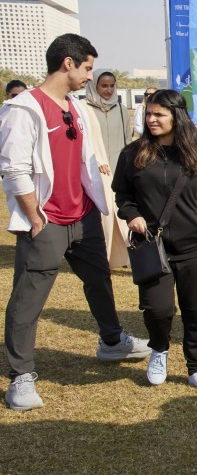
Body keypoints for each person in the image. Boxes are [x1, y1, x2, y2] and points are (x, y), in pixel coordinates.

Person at [0, 34, 150, 412]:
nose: (89, 75)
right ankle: (20, 376)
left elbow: (85, 159)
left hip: (83, 217)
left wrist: (94, 205)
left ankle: (111, 341)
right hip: (46, 221)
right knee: (28, 298)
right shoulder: (23, 108)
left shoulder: (76, 107)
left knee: (99, 281)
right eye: (86, 67)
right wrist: (35, 217)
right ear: (67, 63)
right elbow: (14, 168)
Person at [113, 89, 197, 393]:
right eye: (149, 114)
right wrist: (131, 214)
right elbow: (123, 194)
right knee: (158, 309)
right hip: (151, 247)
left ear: (177, 116)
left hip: (195, 247)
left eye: (159, 114)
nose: (152, 119)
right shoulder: (133, 154)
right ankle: (159, 350)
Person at [77, 70, 131, 267]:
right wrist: (96, 159)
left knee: (122, 213)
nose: (108, 90)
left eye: (111, 85)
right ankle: (101, 258)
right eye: (103, 85)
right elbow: (81, 140)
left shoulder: (121, 108)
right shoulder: (83, 108)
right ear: (94, 86)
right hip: (94, 169)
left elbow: (127, 140)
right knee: (103, 217)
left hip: (118, 168)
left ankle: (125, 256)